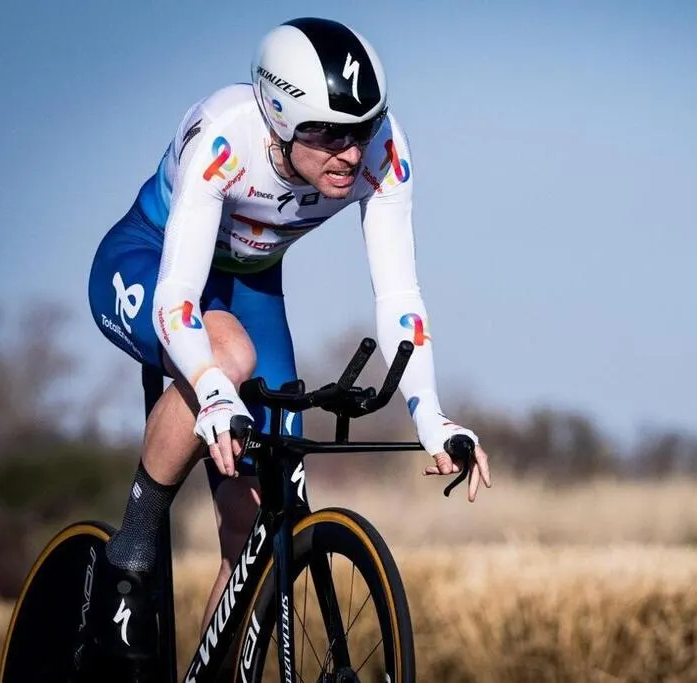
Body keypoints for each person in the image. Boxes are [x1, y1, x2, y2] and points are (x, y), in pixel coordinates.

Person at [86, 15, 492, 669]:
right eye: (328, 134)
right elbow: (177, 302)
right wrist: (215, 390)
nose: (352, 153)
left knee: (262, 513)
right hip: (150, 262)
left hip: (250, 287)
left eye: (360, 130)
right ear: (278, 117)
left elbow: (398, 298)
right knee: (228, 358)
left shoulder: (385, 152)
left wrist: (430, 413)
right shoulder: (225, 134)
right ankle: (127, 566)